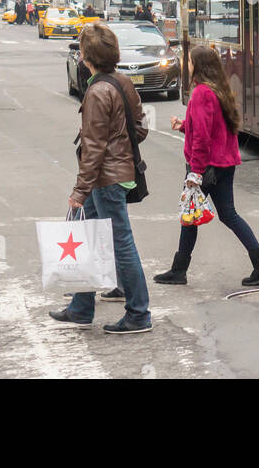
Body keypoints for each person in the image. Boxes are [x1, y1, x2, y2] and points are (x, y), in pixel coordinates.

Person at [52, 22, 153, 333]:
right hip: (116, 175)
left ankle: (138, 313)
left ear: (86, 58)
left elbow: (93, 148)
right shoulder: (122, 82)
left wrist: (78, 192)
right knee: (89, 240)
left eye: (82, 52)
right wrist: (120, 145)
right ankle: (81, 307)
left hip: (105, 179)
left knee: (121, 243)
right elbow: (140, 128)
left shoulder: (98, 91)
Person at [155, 45, 259, 286]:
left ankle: (179, 270)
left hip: (206, 166)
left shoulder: (201, 93)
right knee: (228, 215)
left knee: (190, 215)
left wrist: (195, 173)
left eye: (189, 61)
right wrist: (183, 125)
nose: (187, 64)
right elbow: (214, 129)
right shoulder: (218, 90)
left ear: (197, 66)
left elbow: (202, 137)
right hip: (223, 163)